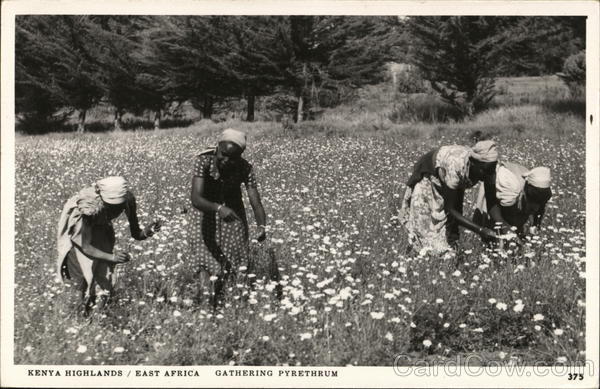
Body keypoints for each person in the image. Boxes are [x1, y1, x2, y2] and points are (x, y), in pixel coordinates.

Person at [56, 176, 161, 315]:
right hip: (80, 241)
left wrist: (148, 231)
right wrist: (112, 257)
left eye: (118, 205)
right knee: (80, 282)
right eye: (111, 205)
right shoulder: (88, 207)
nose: (115, 209)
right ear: (102, 199)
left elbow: (137, 233)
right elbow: (84, 245)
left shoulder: (127, 200)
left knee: (103, 279)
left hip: (102, 236)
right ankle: (75, 318)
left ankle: (96, 317)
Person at [189, 128, 267, 307]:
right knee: (205, 259)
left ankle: (232, 300)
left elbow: (255, 201)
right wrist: (217, 208)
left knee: (236, 258)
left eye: (233, 157)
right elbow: (196, 198)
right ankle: (207, 304)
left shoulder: (245, 168)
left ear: (240, 156)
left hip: (232, 214)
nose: (226, 160)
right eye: (223, 154)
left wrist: (262, 226)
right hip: (204, 211)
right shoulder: (204, 161)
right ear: (217, 147)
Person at [400, 140, 507, 255]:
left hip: (450, 181)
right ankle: (416, 256)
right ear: (473, 163)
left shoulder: (489, 169)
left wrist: (505, 226)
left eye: (491, 170)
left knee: (450, 228)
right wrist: (480, 230)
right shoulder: (455, 165)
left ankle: (448, 253)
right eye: (485, 170)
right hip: (430, 176)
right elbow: (450, 210)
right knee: (425, 224)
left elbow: (491, 201)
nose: (488, 174)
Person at [473, 163, 552, 242]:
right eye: (532, 206)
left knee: (515, 231)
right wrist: (504, 226)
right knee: (491, 232)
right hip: (494, 191)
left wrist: (535, 225)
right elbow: (492, 201)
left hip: (516, 195)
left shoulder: (541, 190)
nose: (536, 208)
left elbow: (540, 208)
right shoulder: (510, 187)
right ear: (525, 193)